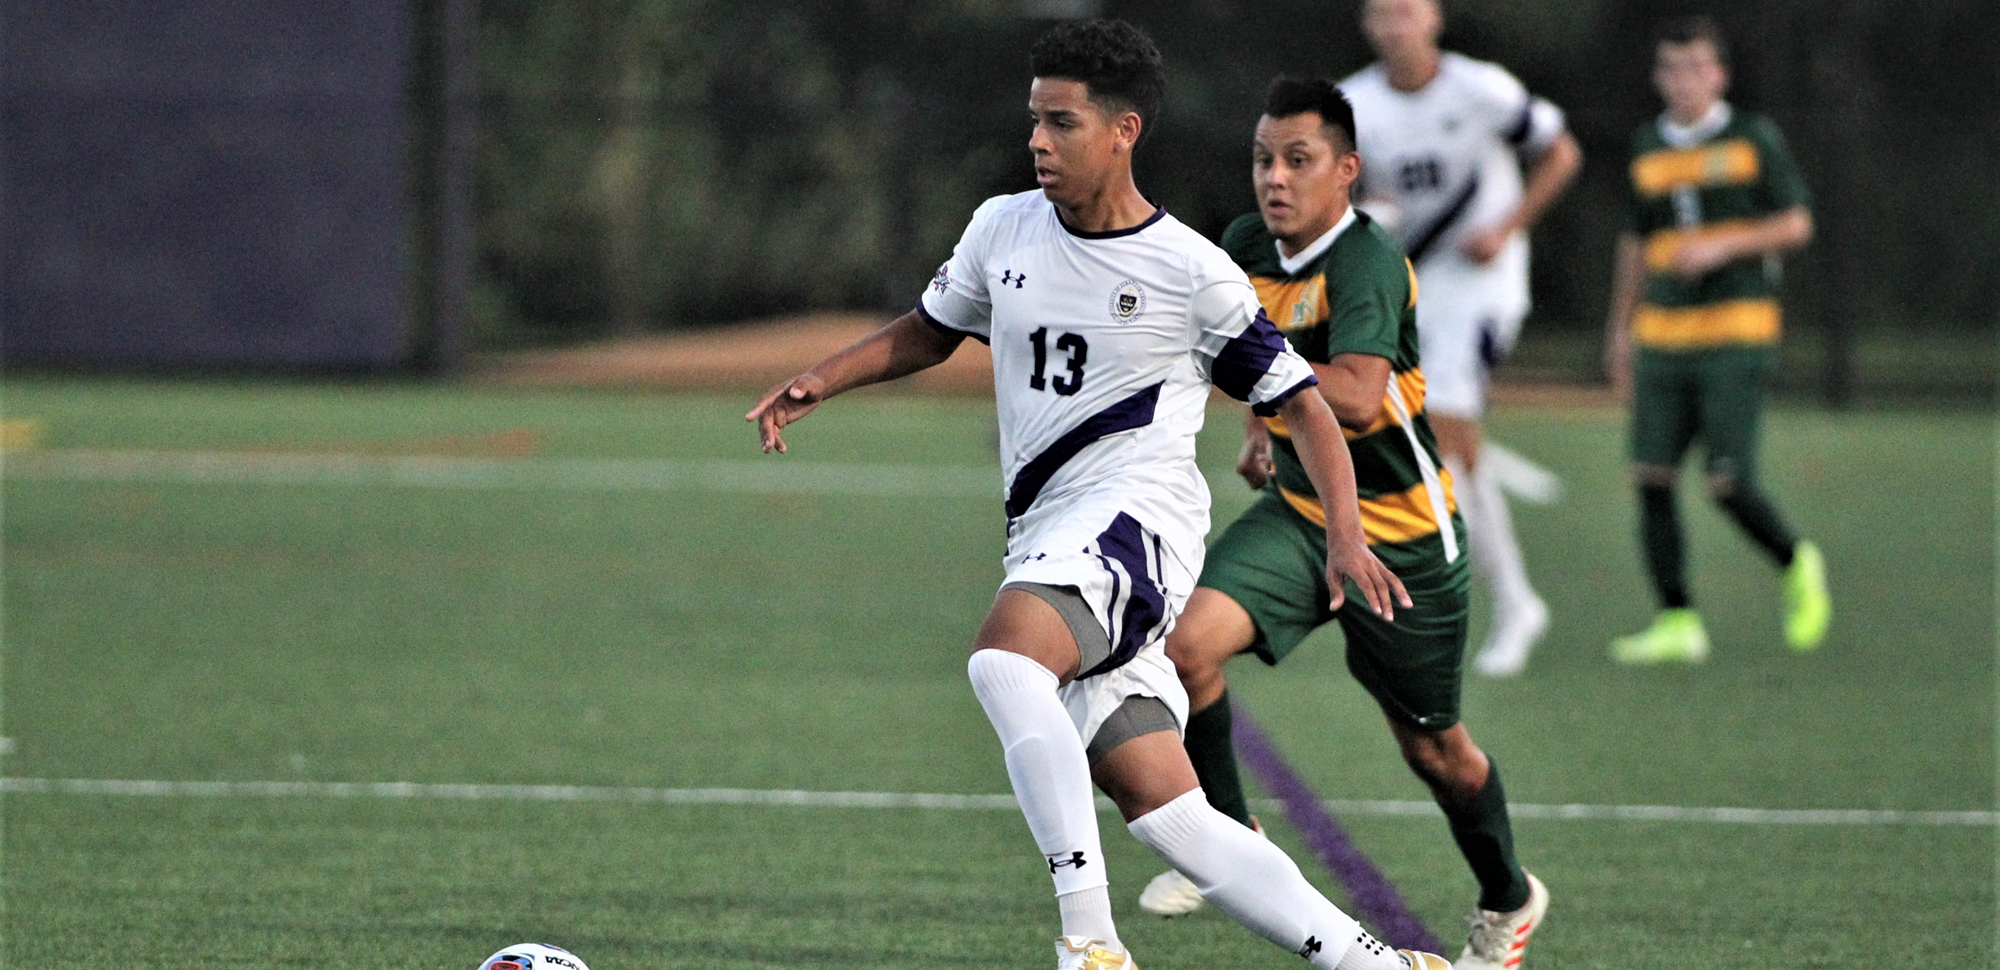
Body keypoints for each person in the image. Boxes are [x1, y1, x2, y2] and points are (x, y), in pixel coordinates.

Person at [746, 20, 1448, 970]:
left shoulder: (1192, 271)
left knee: (1005, 663)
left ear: (1124, 132)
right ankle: (1378, 964)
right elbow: (931, 328)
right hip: (1049, 530)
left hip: (1137, 528)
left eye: (1062, 123)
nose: (1038, 140)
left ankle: (1091, 942)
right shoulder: (1002, 227)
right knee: (1171, 815)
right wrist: (820, 380)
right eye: (1035, 120)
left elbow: (1306, 404)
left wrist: (1345, 538)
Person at [1133, 76, 1547, 970]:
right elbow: (1246, 348)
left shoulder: (1366, 263)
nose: (1274, 178)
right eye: (1263, 159)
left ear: (1346, 171)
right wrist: (1258, 427)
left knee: (1434, 750)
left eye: (1298, 160)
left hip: (1403, 537)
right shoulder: (1246, 245)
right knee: (1183, 650)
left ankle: (1509, 894)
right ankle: (1227, 842)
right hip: (1302, 514)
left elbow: (1356, 397)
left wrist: (1252, 377)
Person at [1339, 0, 1582, 677]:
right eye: (1383, 12)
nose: (1397, 23)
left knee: (1445, 424)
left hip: (1483, 282)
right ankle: (1511, 601)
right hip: (1412, 284)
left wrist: (1506, 227)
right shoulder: (1351, 105)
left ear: (1434, 18)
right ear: (1367, 25)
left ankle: (1503, 606)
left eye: (1408, 9)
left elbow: (1561, 153)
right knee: (1436, 444)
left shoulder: (1481, 89)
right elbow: (1340, 196)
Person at [1603, 15, 1830, 663]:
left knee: (1726, 483)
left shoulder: (1752, 138)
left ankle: (1796, 559)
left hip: (1736, 330)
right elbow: (1635, 243)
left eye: (1698, 67)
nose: (1686, 80)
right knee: (1651, 476)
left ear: (1720, 75)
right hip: (1663, 334)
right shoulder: (1648, 146)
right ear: (1658, 77)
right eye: (1673, 68)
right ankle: (1678, 621)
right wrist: (1618, 330)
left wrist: (1725, 244)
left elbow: (1796, 223)